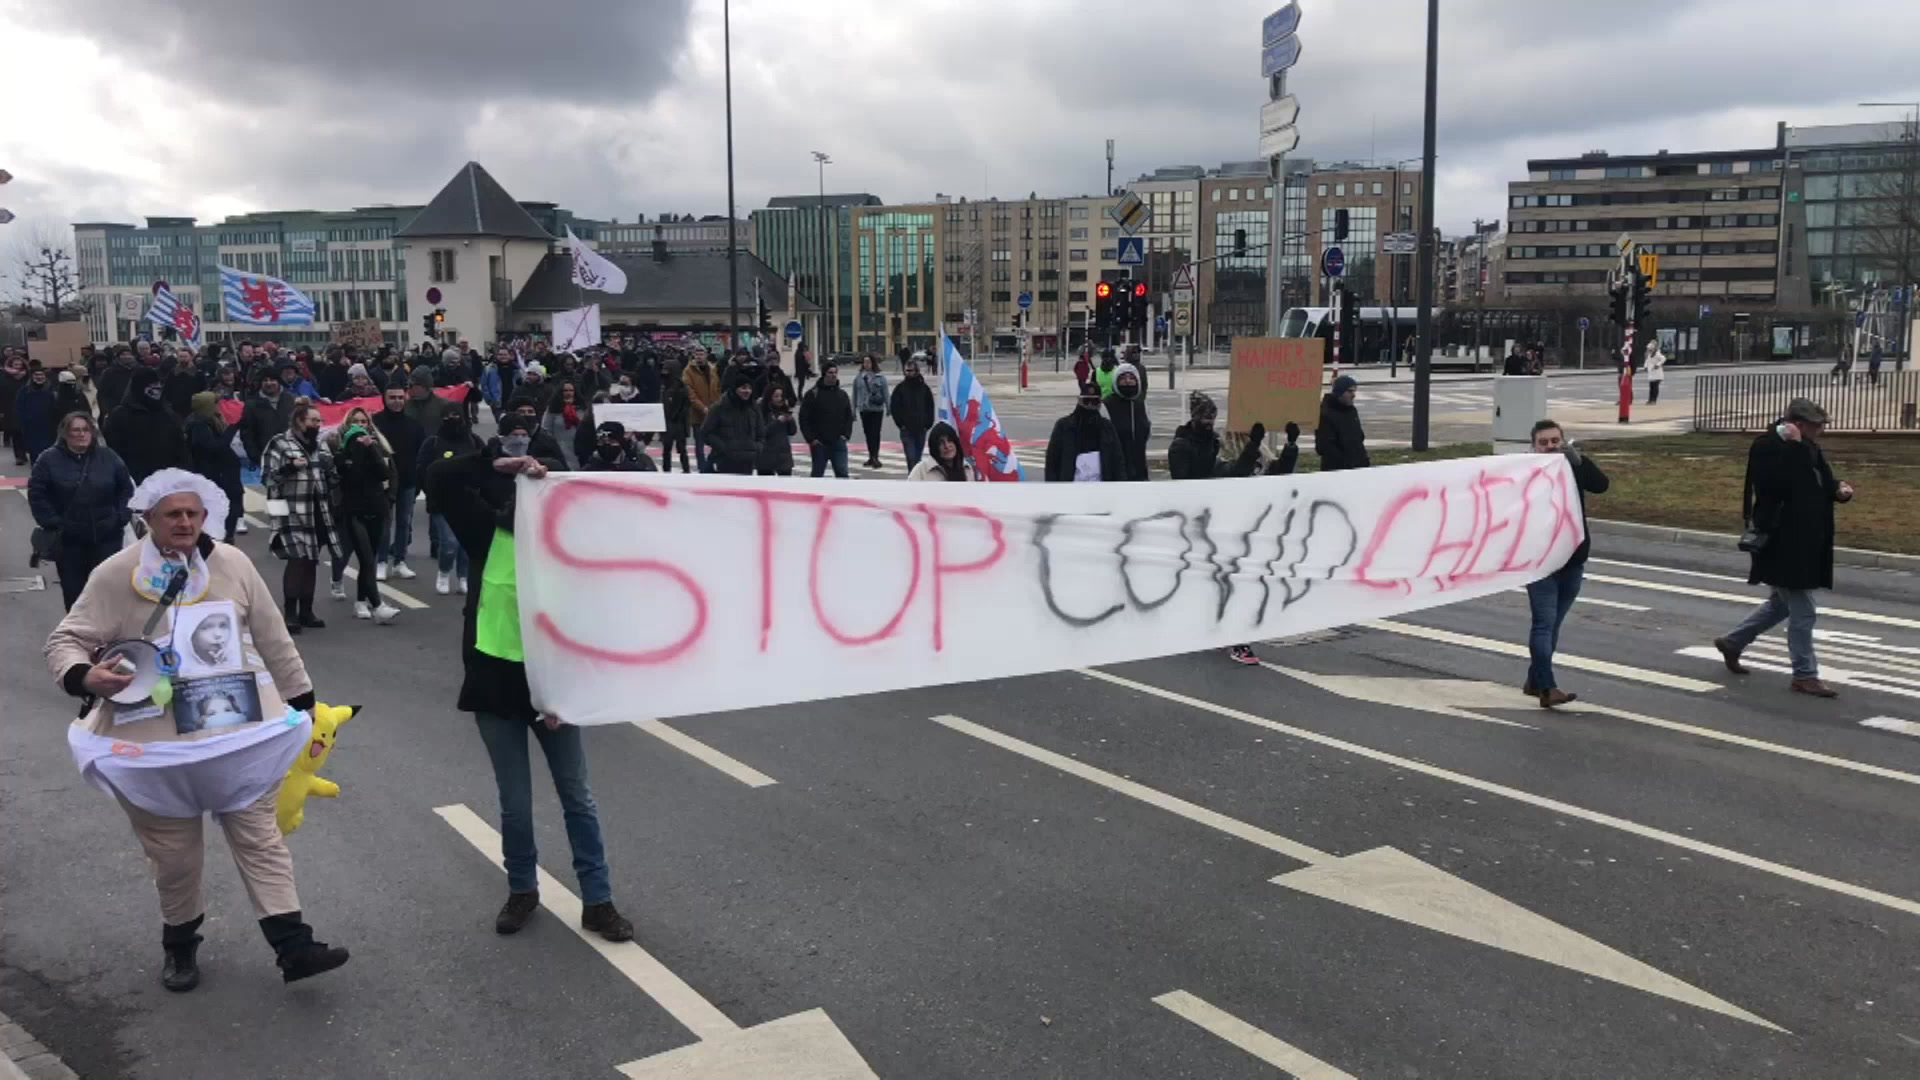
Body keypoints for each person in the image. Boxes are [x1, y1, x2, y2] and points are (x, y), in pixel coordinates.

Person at [44, 469, 347, 991]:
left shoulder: (233, 563)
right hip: (156, 748)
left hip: (237, 736)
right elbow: (65, 641)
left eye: (192, 513)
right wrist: (83, 675)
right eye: (172, 515)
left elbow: (274, 639)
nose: (184, 523)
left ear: (206, 517)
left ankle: (295, 947)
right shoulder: (117, 574)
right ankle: (180, 949)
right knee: (175, 859)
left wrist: (302, 703)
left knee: (261, 840)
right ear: (149, 520)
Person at [422, 416, 635, 943]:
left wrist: (573, 690)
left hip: (555, 692)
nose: (527, 506)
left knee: (577, 797)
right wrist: (491, 460)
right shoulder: (482, 533)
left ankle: (598, 900)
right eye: (521, 494)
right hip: (495, 687)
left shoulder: (568, 554)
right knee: (514, 803)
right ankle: (522, 890)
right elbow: (437, 480)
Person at [1712, 399, 1853, 698]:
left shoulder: (1808, 446)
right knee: (1803, 608)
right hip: (1782, 540)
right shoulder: (1768, 446)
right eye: (1817, 427)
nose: (1822, 432)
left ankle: (1733, 642)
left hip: (1806, 539)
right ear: (1797, 425)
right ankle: (1804, 674)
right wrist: (1794, 447)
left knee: (1781, 603)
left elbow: (1819, 480)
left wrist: (1839, 491)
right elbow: (1776, 485)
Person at [1521, 420, 1610, 708]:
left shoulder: (1572, 465)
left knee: (1554, 625)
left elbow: (1601, 486)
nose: (1550, 447)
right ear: (1533, 445)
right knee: (1544, 626)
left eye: (1555, 441)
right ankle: (1547, 688)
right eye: (1544, 442)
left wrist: (1579, 461)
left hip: (1573, 560)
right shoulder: (1524, 473)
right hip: (1542, 563)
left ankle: (1535, 681)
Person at [28, 413, 134, 610]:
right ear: (65, 433)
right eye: (76, 430)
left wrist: (120, 518)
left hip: (106, 538)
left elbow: (126, 489)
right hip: (69, 542)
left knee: (107, 594)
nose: (81, 434)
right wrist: (54, 522)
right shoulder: (48, 460)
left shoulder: (109, 457)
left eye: (86, 430)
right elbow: (37, 495)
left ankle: (107, 637)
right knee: (75, 595)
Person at [262, 404, 338, 634]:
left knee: (311, 559)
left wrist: (331, 467)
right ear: (299, 421)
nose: (318, 425)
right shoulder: (279, 443)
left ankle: (307, 611)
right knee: (296, 558)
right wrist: (289, 468)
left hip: (317, 509)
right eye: (313, 421)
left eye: (319, 421)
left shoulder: (320, 444)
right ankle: (290, 613)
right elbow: (267, 477)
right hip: (288, 509)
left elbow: (331, 475)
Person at [332, 421, 400, 625]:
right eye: (357, 438)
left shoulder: (374, 455)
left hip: (376, 511)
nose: (362, 441)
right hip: (354, 514)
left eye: (364, 436)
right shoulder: (342, 459)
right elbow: (349, 477)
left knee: (367, 561)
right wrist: (358, 453)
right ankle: (378, 605)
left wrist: (372, 450)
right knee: (367, 558)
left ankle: (361, 601)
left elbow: (384, 473)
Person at [418, 414, 483, 596]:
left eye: (456, 414)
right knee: (449, 542)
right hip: (442, 502)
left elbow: (484, 464)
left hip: (469, 501)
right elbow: (423, 469)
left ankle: (463, 577)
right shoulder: (433, 443)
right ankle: (444, 572)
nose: (453, 419)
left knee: (466, 545)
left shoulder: (474, 441)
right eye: (448, 415)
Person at [372, 386, 428, 581]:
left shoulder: (414, 425)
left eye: (400, 397)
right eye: (392, 397)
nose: (396, 401)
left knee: (404, 522)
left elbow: (422, 454)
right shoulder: (374, 424)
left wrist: (419, 480)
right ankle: (381, 562)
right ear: (384, 399)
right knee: (384, 523)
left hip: (408, 482)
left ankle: (399, 561)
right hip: (383, 482)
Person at [103, 367, 191, 484]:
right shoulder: (120, 415)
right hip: (135, 479)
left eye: (159, 383)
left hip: (167, 480)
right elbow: (113, 449)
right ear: (140, 387)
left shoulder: (167, 413)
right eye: (153, 384)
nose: (158, 387)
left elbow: (180, 447)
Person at [184, 393, 244, 544]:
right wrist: (232, 430)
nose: (219, 406)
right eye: (215, 403)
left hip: (224, 474)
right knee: (224, 509)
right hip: (216, 476)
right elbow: (214, 447)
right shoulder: (199, 426)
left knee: (232, 506)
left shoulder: (212, 421)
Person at [1044, 382, 1124, 482]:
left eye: (1094, 401)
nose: (1090, 404)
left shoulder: (1107, 427)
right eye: (1086, 400)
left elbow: (1117, 461)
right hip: (1070, 489)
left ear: (1100, 403)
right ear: (1079, 401)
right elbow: (1052, 461)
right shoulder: (1063, 426)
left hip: (1102, 489)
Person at [699, 366, 765, 476]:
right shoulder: (719, 408)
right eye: (743, 388)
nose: (747, 391)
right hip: (724, 461)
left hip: (748, 461)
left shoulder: (754, 408)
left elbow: (761, 433)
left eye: (749, 388)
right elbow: (706, 433)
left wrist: (757, 448)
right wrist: (724, 448)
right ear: (735, 389)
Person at [800, 361, 855, 478]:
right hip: (820, 443)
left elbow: (848, 416)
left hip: (838, 441)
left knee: (842, 473)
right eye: (830, 372)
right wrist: (811, 439)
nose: (833, 375)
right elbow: (804, 418)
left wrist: (846, 434)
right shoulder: (813, 394)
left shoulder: (842, 395)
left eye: (835, 372)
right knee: (817, 474)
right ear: (824, 374)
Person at [1103, 362, 1151, 482]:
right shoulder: (1107, 405)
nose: (1128, 381)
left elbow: (1147, 431)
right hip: (1116, 472)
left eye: (1131, 378)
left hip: (1140, 470)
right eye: (1123, 378)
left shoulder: (1142, 404)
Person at [1314, 375, 1371, 472]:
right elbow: (1324, 446)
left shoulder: (1351, 411)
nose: (1353, 395)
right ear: (1339, 393)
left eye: (1354, 391)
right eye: (1349, 391)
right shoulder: (1325, 414)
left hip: (1358, 468)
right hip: (1337, 471)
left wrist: (1364, 460)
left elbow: (1359, 438)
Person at [889, 359, 936, 471]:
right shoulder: (900, 388)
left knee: (917, 458)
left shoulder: (924, 388)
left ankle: (916, 480)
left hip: (921, 428)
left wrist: (927, 424)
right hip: (907, 430)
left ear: (916, 371)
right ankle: (912, 479)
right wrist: (901, 424)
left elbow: (930, 406)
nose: (909, 373)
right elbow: (894, 407)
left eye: (911, 370)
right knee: (911, 457)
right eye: (907, 370)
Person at [683, 347, 722, 472]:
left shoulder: (712, 369)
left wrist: (716, 406)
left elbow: (717, 389)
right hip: (698, 414)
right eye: (697, 354)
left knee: (716, 442)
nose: (699, 356)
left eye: (702, 354)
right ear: (693, 356)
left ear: (706, 355)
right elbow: (690, 393)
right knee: (699, 444)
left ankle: (710, 464)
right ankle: (702, 467)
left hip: (713, 411)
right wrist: (702, 408)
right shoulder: (688, 371)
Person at [538, 380, 590, 470]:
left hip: (579, 450)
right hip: (559, 449)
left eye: (571, 390)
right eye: (565, 391)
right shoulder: (552, 409)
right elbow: (545, 430)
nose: (568, 393)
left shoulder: (583, 409)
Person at [14, 365, 60, 463]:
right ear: (32, 377)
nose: (39, 377)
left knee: (49, 453)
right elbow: (19, 408)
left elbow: (56, 408)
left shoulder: (51, 391)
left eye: (41, 375)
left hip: (48, 428)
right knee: (34, 454)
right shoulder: (25, 391)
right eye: (36, 375)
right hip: (31, 427)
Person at [851, 356, 889, 469]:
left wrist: (888, 407)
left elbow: (886, 393)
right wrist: (853, 410)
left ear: (873, 363)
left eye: (868, 362)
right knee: (868, 434)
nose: (866, 364)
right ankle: (871, 456)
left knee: (875, 433)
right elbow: (855, 394)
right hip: (864, 409)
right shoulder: (859, 378)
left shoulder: (880, 378)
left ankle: (875, 457)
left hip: (877, 409)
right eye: (865, 362)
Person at [584, 421, 657, 472]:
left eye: (612, 441)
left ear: (621, 442)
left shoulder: (640, 465)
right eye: (602, 442)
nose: (607, 445)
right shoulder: (588, 471)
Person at [757, 385, 797, 476]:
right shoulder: (761, 411)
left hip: (784, 455)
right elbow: (762, 432)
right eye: (776, 396)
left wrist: (790, 420)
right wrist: (777, 422)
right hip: (766, 455)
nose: (779, 399)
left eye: (781, 396)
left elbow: (792, 431)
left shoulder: (784, 410)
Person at [661, 360, 693, 473]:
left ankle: (685, 469)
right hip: (667, 421)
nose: (664, 372)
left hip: (677, 423)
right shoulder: (665, 385)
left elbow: (685, 406)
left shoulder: (679, 387)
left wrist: (675, 416)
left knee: (680, 449)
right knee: (667, 449)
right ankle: (667, 469)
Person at [1, 352, 29, 464]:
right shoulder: (5, 377)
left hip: (26, 408)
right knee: (15, 432)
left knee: (26, 432)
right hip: (10, 408)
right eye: (15, 364)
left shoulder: (28, 376)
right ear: (11, 365)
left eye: (19, 364)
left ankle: (27, 452)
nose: (18, 366)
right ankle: (19, 456)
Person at [1645, 340, 1667, 404]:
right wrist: (1645, 366)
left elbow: (1663, 358)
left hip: (1657, 373)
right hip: (1651, 373)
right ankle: (1650, 399)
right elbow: (1647, 361)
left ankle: (1654, 400)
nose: (1649, 350)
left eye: (1650, 349)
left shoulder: (1657, 354)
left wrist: (1658, 365)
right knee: (1651, 387)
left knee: (1655, 387)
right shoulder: (1649, 354)